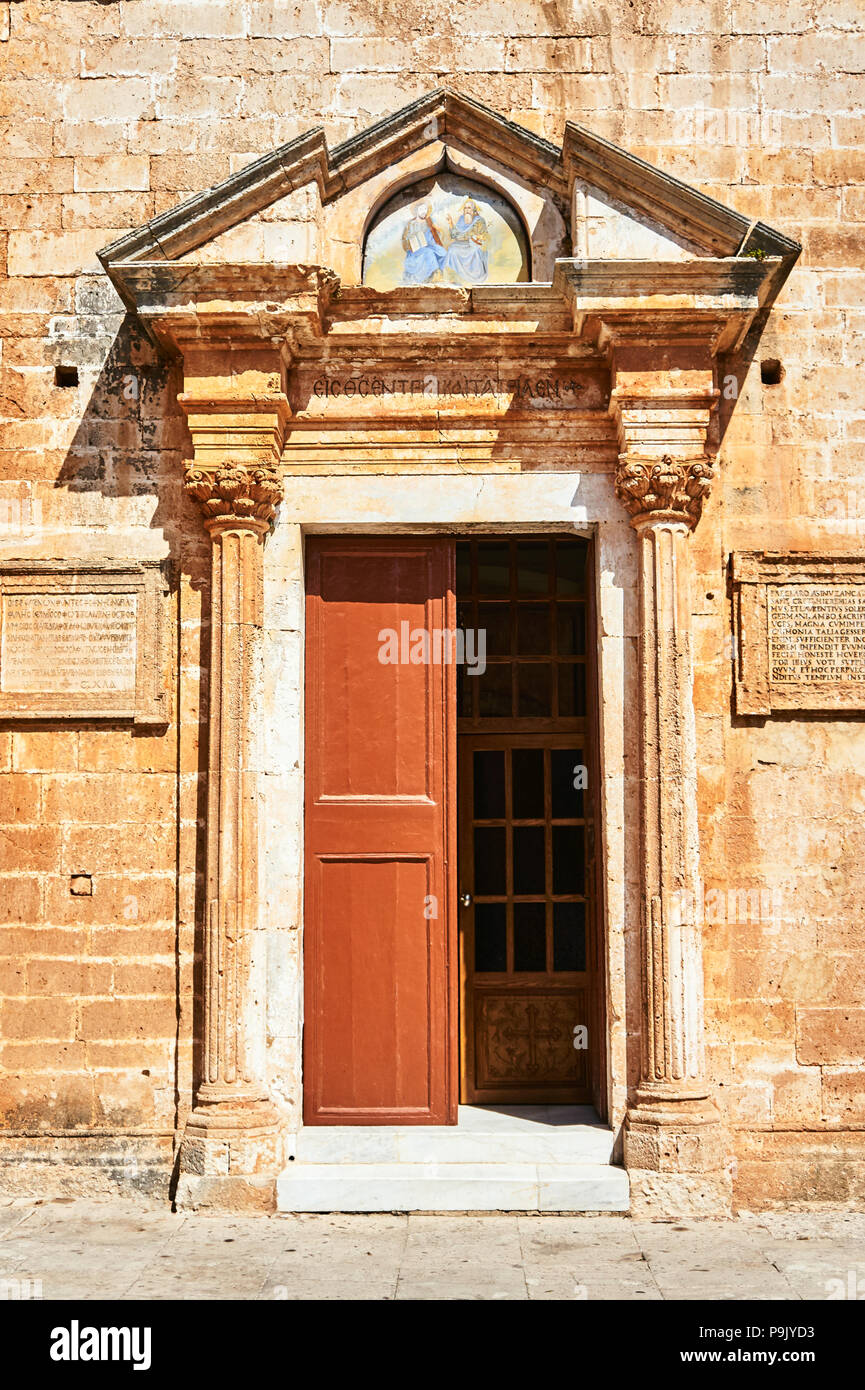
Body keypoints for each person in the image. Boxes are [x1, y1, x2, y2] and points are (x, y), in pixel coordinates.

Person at [444, 198, 489, 284]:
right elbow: (455, 235)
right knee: (452, 249)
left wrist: (477, 238)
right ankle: (454, 276)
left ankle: (475, 277)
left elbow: (483, 236)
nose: (467, 210)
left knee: (475, 251)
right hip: (462, 244)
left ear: (474, 210)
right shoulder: (461, 219)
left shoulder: (479, 220)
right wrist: (451, 224)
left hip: (474, 245)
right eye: (465, 208)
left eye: (469, 208)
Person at [401, 203, 446, 284]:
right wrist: (412, 242)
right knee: (428, 252)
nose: (423, 212)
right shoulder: (411, 224)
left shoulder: (430, 221)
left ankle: (440, 272)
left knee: (443, 252)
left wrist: (437, 230)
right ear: (416, 211)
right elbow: (405, 240)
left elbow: (436, 236)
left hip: (429, 246)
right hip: (415, 250)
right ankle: (434, 274)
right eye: (421, 209)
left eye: (425, 209)